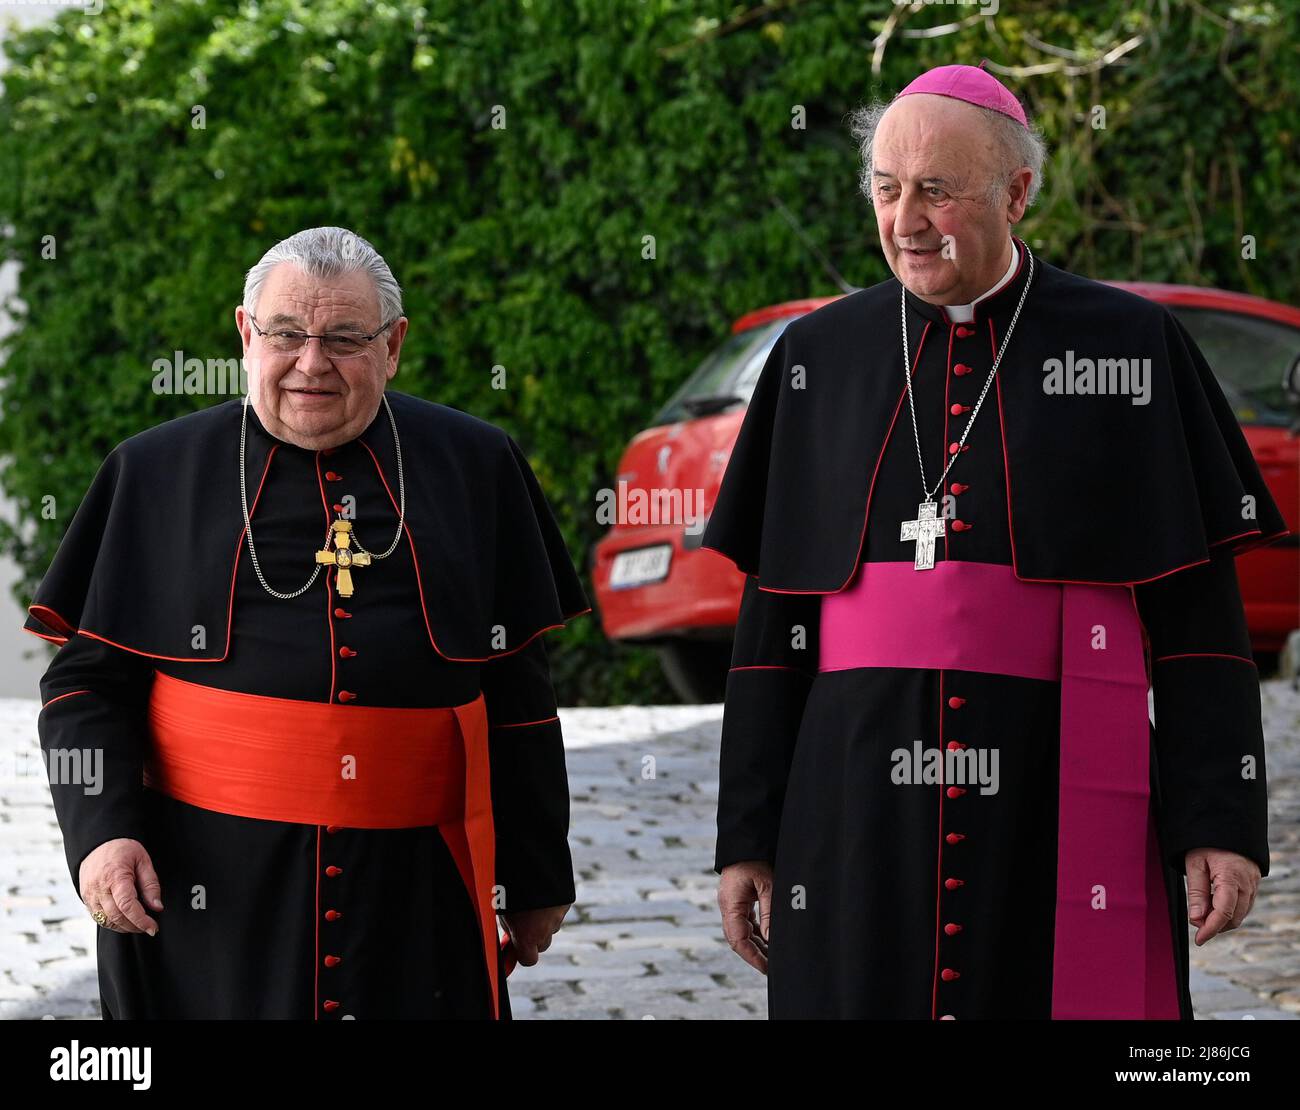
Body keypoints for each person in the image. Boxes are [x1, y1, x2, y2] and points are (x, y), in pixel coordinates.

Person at [702, 64, 1291, 1019]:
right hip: (853, 807)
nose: (906, 219)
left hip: (1055, 789)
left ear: (1017, 193)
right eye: (887, 190)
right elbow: (771, 632)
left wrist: (1219, 820)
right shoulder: (818, 357)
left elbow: (1196, 621)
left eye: (937, 189)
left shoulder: (1131, 348)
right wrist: (748, 837)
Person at [26, 226, 590, 1019]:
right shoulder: (154, 472)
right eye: (285, 333)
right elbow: (84, 687)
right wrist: (102, 834)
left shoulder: (477, 465)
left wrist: (534, 877)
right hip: (208, 889)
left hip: (418, 888)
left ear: (393, 346)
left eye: (345, 338)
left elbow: (518, 689)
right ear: (244, 334)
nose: (311, 362)